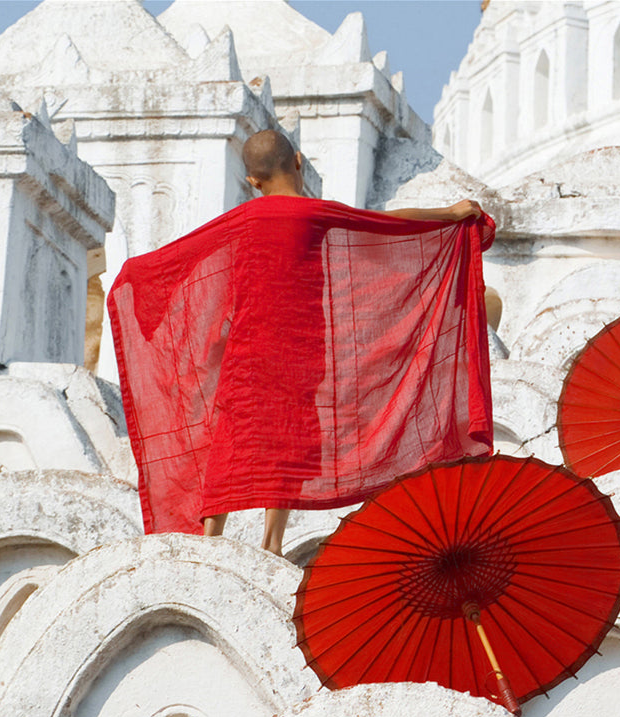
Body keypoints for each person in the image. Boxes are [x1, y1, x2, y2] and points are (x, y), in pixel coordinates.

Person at [107, 130, 495, 552]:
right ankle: (272, 541)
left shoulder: (241, 220)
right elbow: (389, 222)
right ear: (297, 160)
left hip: (249, 354)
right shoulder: (315, 212)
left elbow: (179, 260)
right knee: (290, 436)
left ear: (252, 182)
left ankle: (208, 538)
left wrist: (133, 281)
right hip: (303, 349)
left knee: (232, 437)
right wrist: (450, 213)